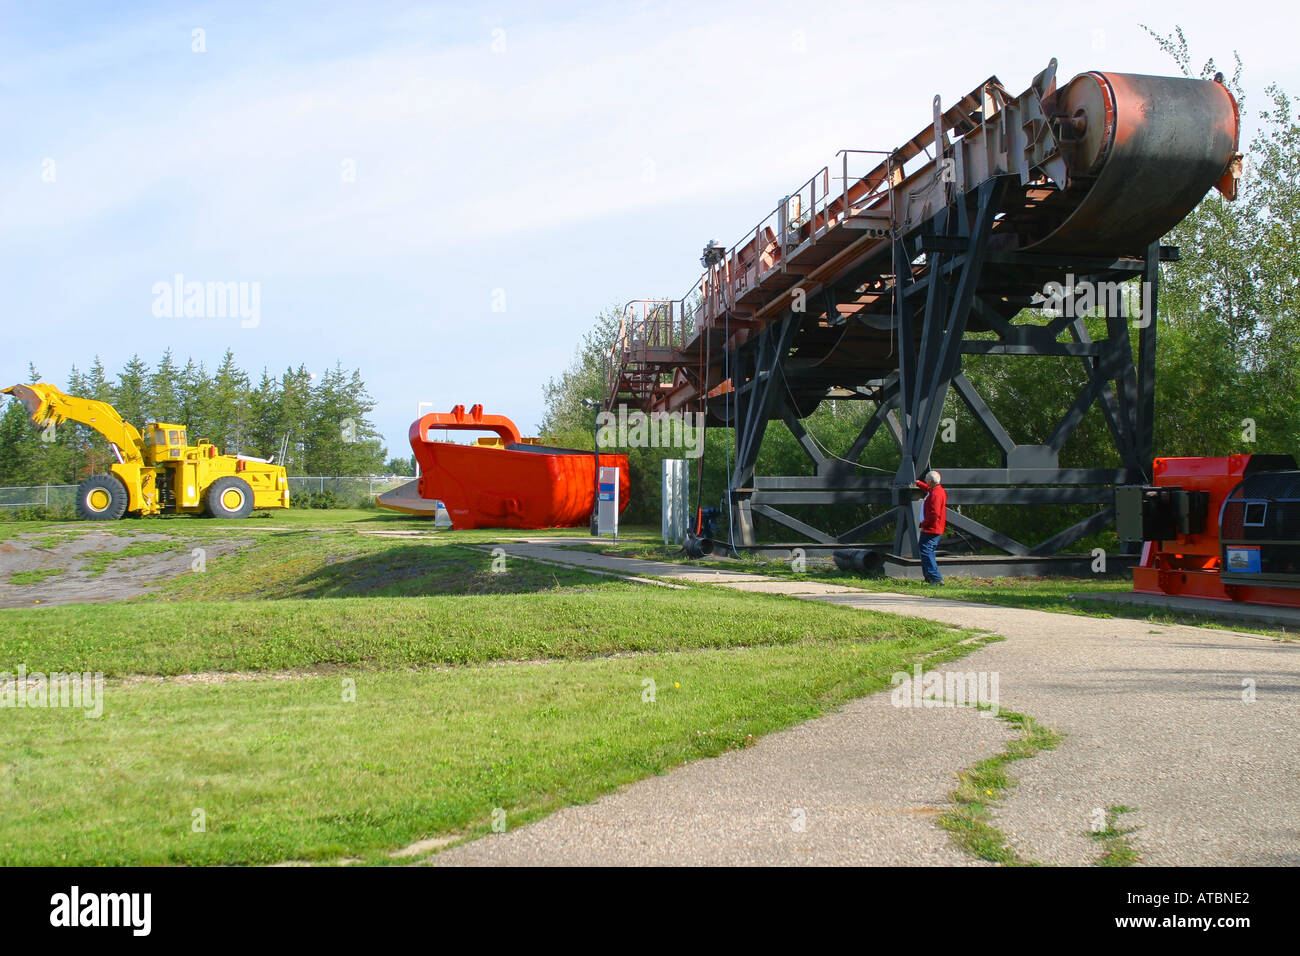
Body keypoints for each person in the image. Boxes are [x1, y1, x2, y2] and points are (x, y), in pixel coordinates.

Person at [915, 470, 947, 585]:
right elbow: (928, 489)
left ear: (930, 481)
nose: (926, 482)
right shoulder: (936, 490)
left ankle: (935, 578)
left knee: (927, 551)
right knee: (927, 551)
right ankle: (930, 577)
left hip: (932, 528)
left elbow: (934, 514)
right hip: (934, 528)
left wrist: (924, 524)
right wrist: (918, 483)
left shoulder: (936, 494)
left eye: (926, 481)